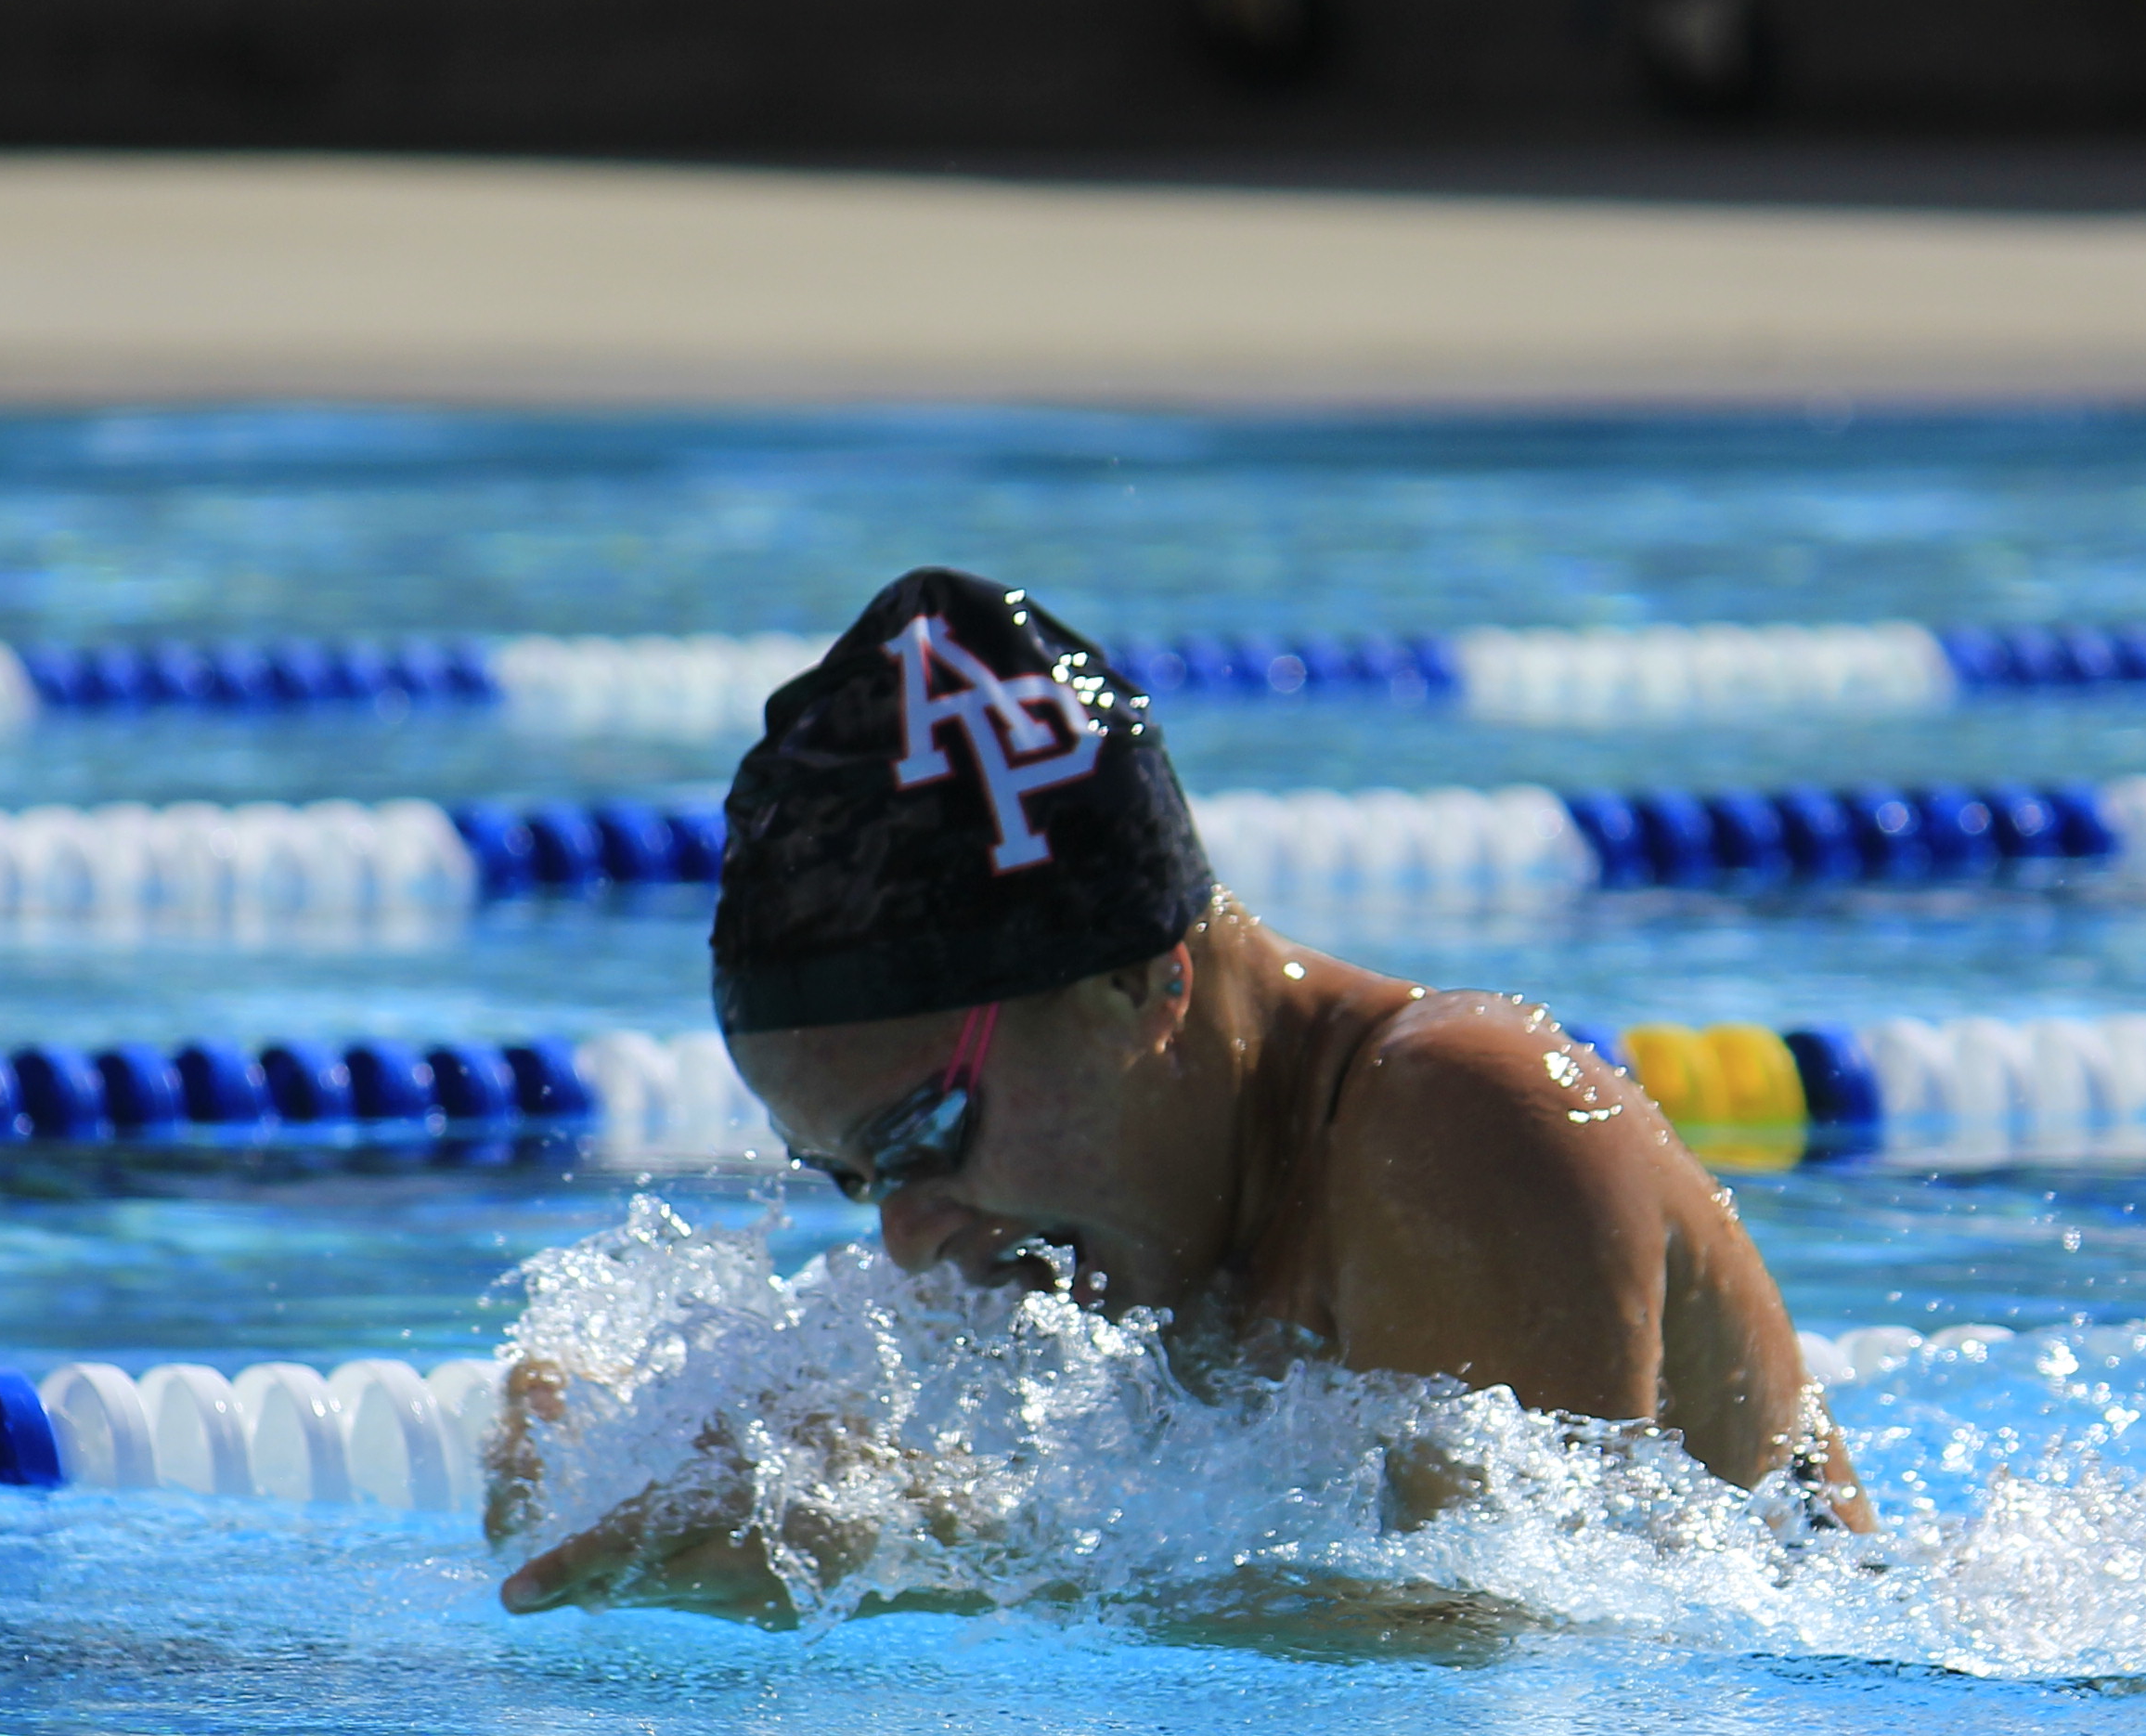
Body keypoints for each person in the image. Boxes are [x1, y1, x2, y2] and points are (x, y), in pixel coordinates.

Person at [493, 567, 1868, 1621]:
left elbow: (1491, 1652)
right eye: (858, 1179)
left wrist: (933, 1559)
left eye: (928, 1134)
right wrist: (623, 1459)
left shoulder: (1462, 1117)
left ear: (1139, 988)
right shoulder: (1114, 1219)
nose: (907, 1237)